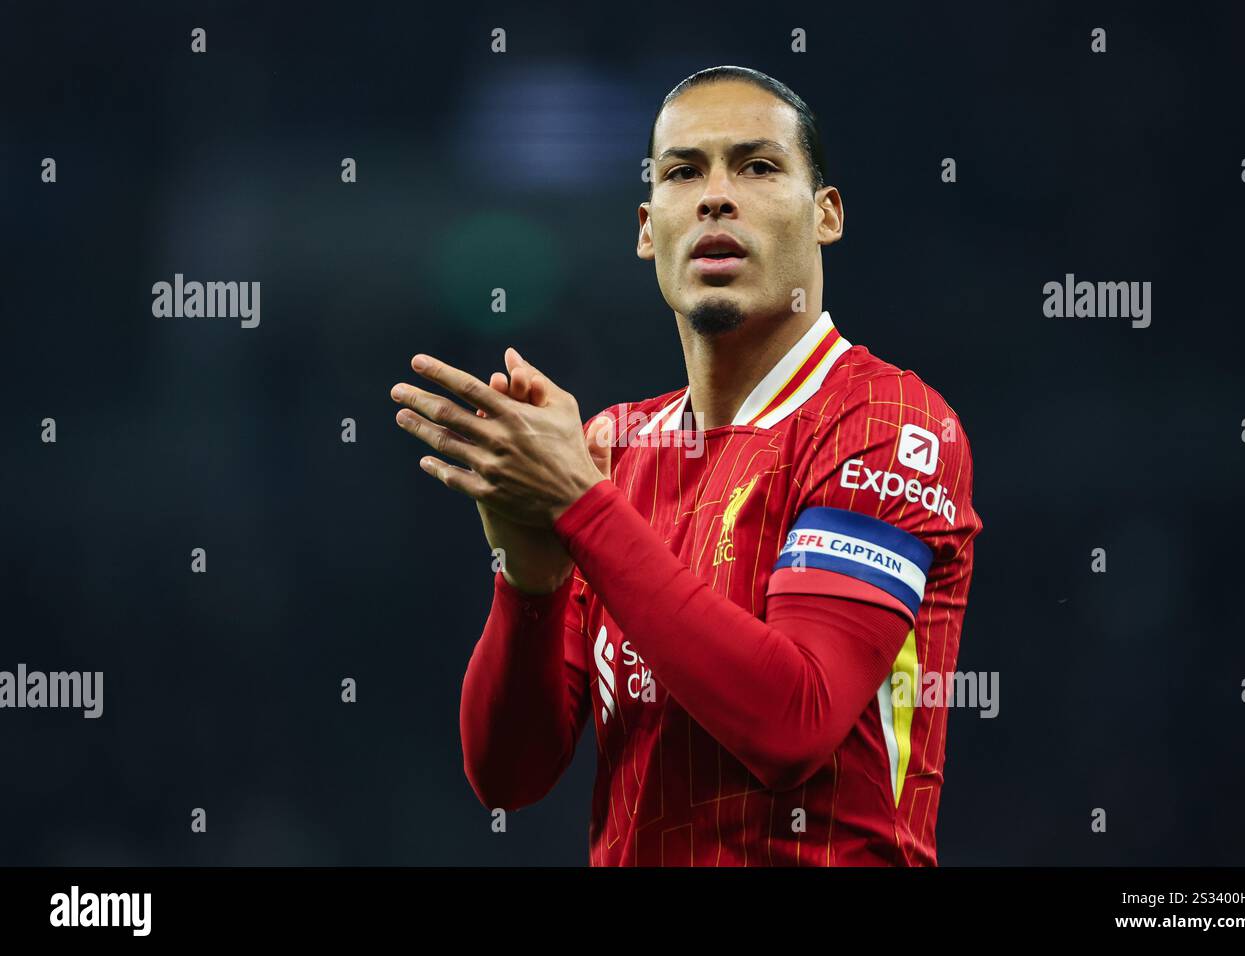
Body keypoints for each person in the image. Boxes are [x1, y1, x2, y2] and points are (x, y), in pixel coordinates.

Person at [390, 65, 983, 865]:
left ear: (827, 216)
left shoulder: (889, 422)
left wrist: (580, 507)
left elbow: (793, 723)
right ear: (646, 228)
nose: (715, 196)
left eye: (758, 167)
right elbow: (509, 774)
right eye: (682, 172)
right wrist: (528, 579)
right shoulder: (613, 448)